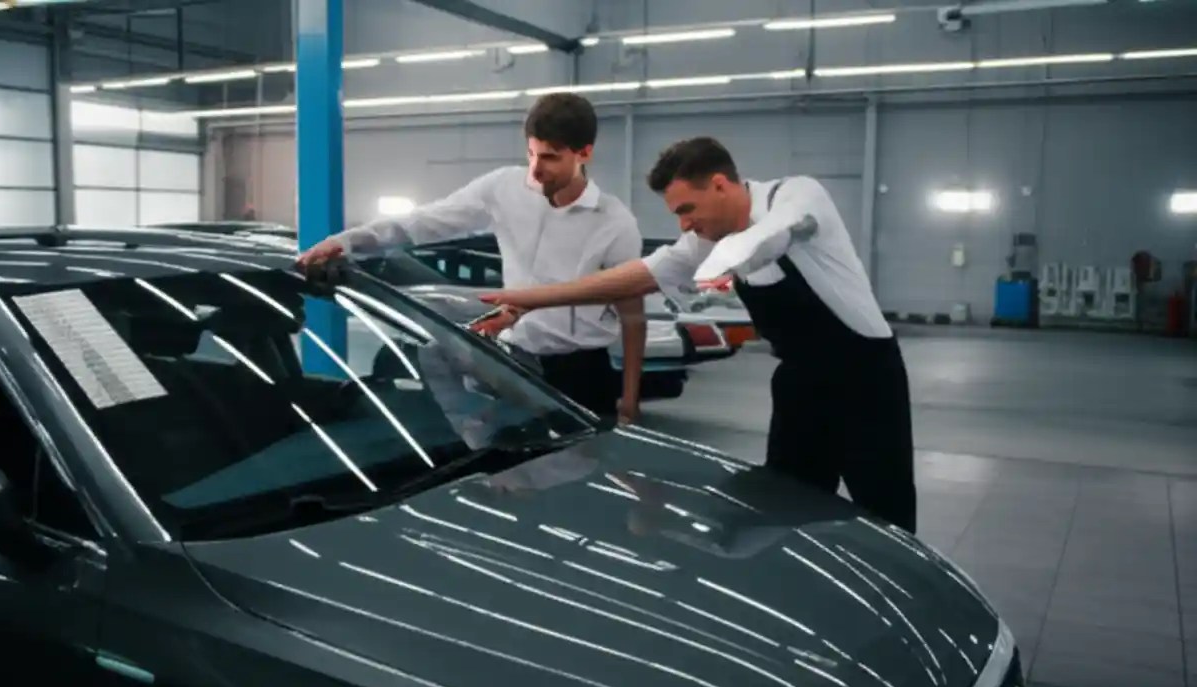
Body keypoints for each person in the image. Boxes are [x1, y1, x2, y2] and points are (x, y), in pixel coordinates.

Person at [476, 136, 917, 533]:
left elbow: (774, 235)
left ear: (721, 185)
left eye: (687, 210)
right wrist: (531, 299)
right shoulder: (709, 238)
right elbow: (635, 276)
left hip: (867, 380)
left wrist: (717, 265)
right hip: (800, 382)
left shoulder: (796, 196)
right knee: (784, 506)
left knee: (886, 511)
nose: (684, 225)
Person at [296, 92, 646, 424]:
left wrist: (630, 399)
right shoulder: (504, 189)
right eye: (531, 154)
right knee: (508, 471)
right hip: (514, 362)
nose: (536, 170)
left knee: (580, 474)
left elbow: (633, 318)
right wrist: (346, 242)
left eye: (551, 157)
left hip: (581, 375)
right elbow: (424, 221)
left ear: (584, 154)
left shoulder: (614, 223)